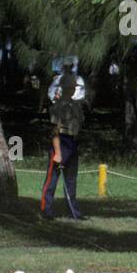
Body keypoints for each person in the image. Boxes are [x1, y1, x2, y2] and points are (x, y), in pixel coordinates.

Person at [40, 73, 86, 220]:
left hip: (72, 142)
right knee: (52, 180)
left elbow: (79, 125)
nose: (72, 90)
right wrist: (58, 153)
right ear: (64, 88)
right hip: (61, 142)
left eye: (73, 87)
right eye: (70, 87)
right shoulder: (58, 106)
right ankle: (46, 210)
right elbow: (54, 131)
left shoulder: (76, 106)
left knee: (71, 180)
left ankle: (73, 211)